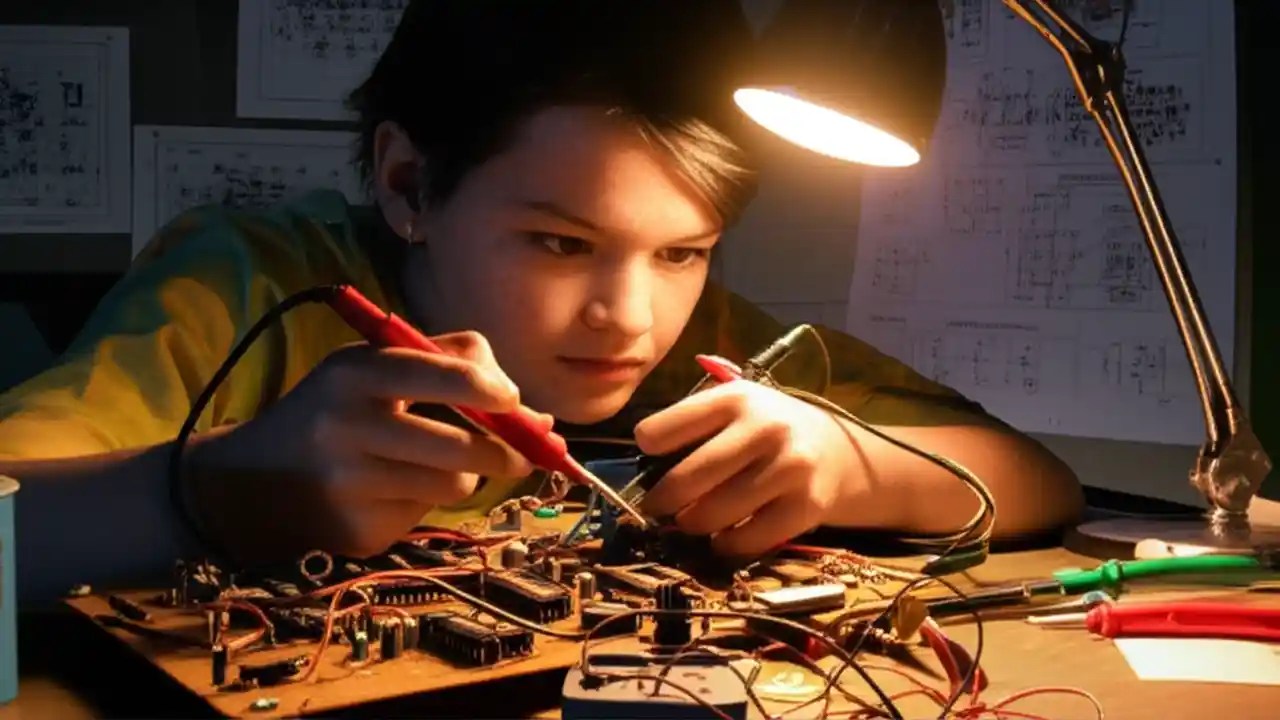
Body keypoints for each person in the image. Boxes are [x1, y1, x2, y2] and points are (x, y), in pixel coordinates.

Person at [0, 1, 1082, 605]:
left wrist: (858, 466)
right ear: (407, 185)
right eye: (561, 242)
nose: (629, 316)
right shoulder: (245, 281)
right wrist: (211, 492)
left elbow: (1034, 480)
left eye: (682, 249)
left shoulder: (707, 342)